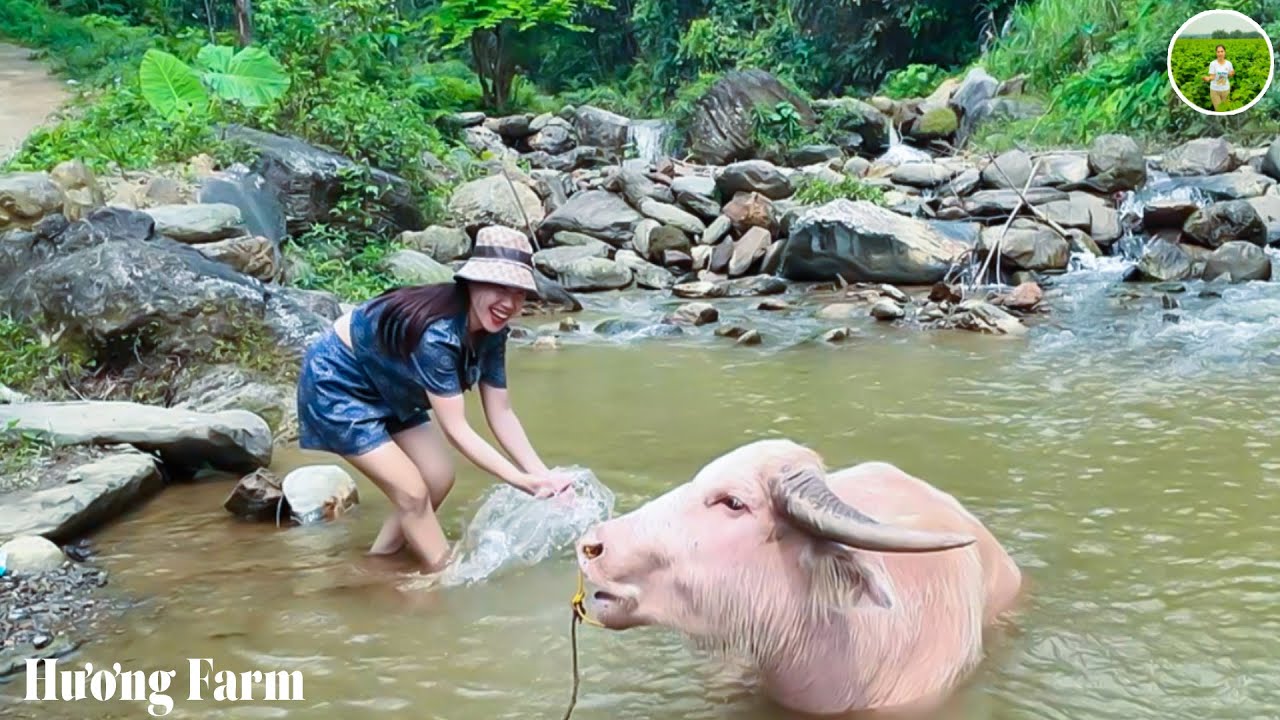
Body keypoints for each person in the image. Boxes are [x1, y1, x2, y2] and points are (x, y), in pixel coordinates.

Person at [295, 225, 572, 574]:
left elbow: (501, 412)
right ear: (473, 282)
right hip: (339, 380)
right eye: (499, 288)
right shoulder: (438, 335)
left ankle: (379, 563)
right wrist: (520, 482)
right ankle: (442, 575)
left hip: (393, 384)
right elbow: (457, 429)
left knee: (438, 477)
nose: (509, 304)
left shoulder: (492, 333)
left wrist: (542, 476)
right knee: (412, 493)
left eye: (519, 293)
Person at [1203, 44, 1235, 111]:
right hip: (1215, 90)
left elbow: (1231, 74)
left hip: (1226, 90)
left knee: (1225, 109)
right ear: (1216, 53)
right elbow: (1212, 76)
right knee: (1219, 110)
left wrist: (1231, 74)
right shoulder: (1213, 64)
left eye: (1222, 51)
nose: (1220, 53)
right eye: (1218, 52)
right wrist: (1208, 78)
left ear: (1225, 52)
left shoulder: (1229, 63)